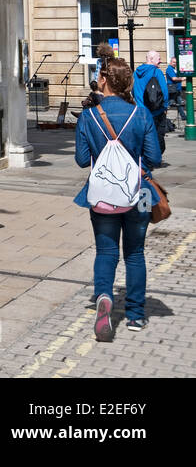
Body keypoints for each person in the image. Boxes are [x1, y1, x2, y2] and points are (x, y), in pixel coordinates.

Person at [75, 57, 162, 340]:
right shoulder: (141, 114)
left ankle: (104, 296)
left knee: (106, 252)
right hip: (140, 193)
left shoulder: (89, 116)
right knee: (135, 253)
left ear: (103, 81)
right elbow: (154, 157)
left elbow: (81, 160)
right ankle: (135, 315)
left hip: (103, 194)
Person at [131, 51, 168, 157]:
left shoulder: (136, 73)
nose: (160, 61)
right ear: (151, 59)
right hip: (155, 112)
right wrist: (165, 106)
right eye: (158, 58)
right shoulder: (157, 72)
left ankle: (143, 158)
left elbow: (132, 90)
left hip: (140, 111)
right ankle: (153, 159)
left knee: (143, 137)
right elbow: (164, 92)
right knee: (157, 138)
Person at [166, 57, 186, 123]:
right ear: (170, 62)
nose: (175, 63)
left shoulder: (174, 69)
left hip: (177, 89)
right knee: (169, 103)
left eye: (176, 62)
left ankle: (183, 116)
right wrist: (182, 79)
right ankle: (161, 115)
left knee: (179, 103)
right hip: (172, 89)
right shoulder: (169, 69)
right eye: (173, 62)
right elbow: (174, 78)